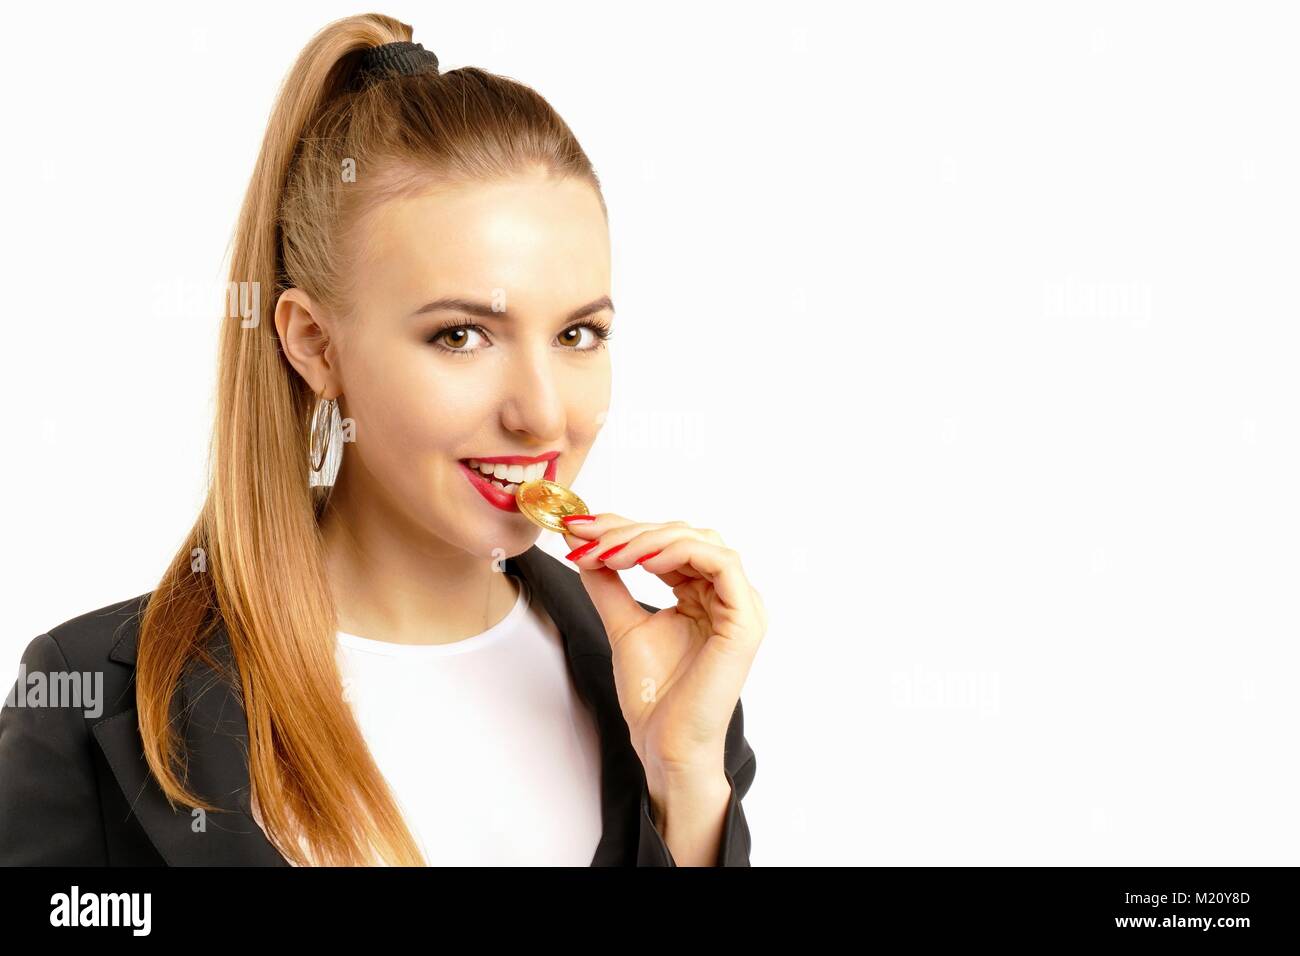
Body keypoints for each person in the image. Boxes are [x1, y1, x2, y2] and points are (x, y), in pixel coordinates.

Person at [0, 12, 764, 867]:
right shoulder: (91, 700)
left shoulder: (660, 693)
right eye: (461, 336)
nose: (543, 415)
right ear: (314, 345)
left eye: (578, 335)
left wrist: (684, 779)